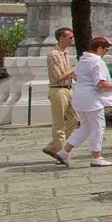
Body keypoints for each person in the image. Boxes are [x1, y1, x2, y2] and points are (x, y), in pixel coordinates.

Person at [55, 37, 112, 166]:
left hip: (80, 97)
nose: (105, 52)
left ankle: (64, 152)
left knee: (85, 127)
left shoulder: (83, 59)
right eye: (105, 50)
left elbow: (75, 75)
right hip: (92, 99)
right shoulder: (97, 61)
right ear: (99, 48)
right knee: (98, 127)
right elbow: (100, 82)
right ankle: (96, 156)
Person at [42, 27, 78, 158]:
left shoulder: (66, 53)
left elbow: (68, 74)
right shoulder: (54, 54)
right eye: (70, 37)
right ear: (62, 38)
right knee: (59, 123)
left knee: (75, 118)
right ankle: (62, 153)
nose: (72, 40)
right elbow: (59, 76)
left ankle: (52, 146)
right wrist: (74, 69)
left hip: (68, 88)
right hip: (58, 89)